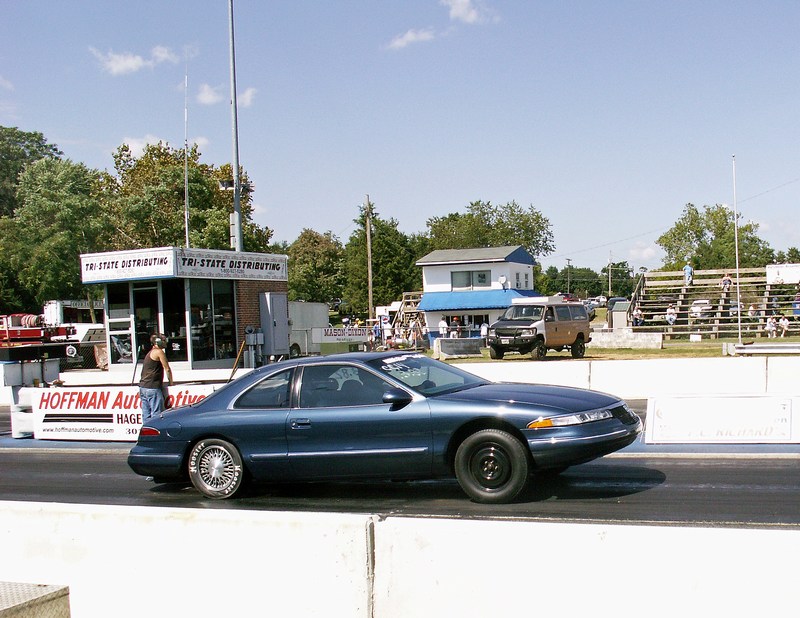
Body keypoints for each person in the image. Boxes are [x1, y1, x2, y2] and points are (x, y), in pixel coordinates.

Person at [139, 333, 173, 421]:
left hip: (143, 387)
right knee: (156, 415)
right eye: (164, 340)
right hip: (152, 387)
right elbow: (167, 369)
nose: (166, 342)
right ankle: (155, 434)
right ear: (158, 342)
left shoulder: (150, 352)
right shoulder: (159, 352)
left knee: (146, 416)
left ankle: (147, 434)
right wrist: (171, 383)